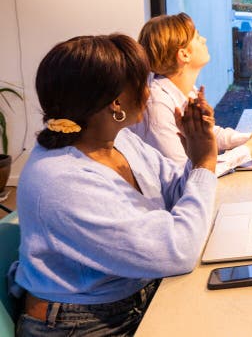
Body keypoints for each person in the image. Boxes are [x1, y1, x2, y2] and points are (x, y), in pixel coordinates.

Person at [11, 34, 218, 335]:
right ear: (116, 102)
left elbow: (174, 191)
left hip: (131, 297)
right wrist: (204, 164)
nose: (150, 91)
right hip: (79, 324)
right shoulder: (61, 180)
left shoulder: (119, 140)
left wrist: (196, 153)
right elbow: (179, 251)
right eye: (142, 82)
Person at [132, 13, 252, 177]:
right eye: (197, 36)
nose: (204, 40)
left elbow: (207, 135)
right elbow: (188, 176)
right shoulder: (157, 107)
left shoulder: (183, 90)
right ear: (184, 54)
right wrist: (249, 149)